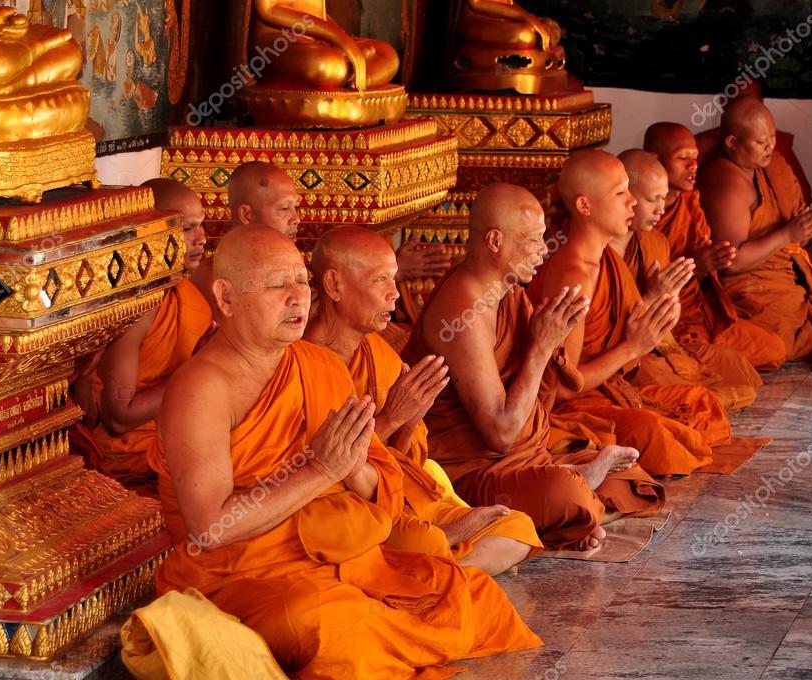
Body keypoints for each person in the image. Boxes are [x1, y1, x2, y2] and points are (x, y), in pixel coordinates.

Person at [149, 225, 541, 677]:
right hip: (241, 576)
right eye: (279, 285)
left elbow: (379, 477)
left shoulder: (319, 366)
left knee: (464, 590)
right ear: (227, 296)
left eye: (302, 281)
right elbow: (211, 528)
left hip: (338, 557)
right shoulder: (201, 389)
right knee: (331, 628)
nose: (298, 297)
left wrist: (354, 469)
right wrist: (319, 471)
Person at [404, 183, 666, 551]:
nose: (544, 251)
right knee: (564, 496)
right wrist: (541, 348)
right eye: (532, 241)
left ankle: (570, 507)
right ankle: (570, 505)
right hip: (467, 473)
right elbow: (500, 434)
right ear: (495, 241)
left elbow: (554, 388)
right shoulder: (462, 313)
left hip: (523, 459)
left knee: (635, 481)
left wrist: (553, 344)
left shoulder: (507, 289)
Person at [305, 226, 542, 575]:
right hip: (343, 507)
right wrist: (390, 417)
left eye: (395, 279)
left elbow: (400, 461)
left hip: (397, 499)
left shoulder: (378, 352)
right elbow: (324, 472)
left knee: (519, 528)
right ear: (335, 285)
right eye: (379, 281)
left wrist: (413, 417)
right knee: (417, 541)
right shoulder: (304, 362)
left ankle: (434, 562)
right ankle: (433, 558)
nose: (393, 295)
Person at [530, 151, 764, 476]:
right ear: (585, 206)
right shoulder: (575, 274)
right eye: (620, 194)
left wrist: (660, 306)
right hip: (571, 405)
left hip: (611, 387)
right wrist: (632, 347)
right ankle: (584, 463)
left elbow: (634, 327)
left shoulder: (604, 259)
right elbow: (565, 388)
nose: (632, 203)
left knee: (703, 410)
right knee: (660, 442)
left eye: (629, 191)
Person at [697, 98, 812, 361]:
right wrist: (788, 234)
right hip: (751, 292)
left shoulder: (772, 166)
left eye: (772, 137)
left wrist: (806, 230)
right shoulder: (727, 185)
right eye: (761, 142)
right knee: (778, 345)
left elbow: (793, 228)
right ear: (732, 143)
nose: (770, 146)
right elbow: (731, 262)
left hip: (791, 281)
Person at [613, 148, 760, 413]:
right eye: (652, 200)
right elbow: (601, 333)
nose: (660, 209)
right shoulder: (597, 251)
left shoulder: (654, 241)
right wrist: (651, 298)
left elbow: (667, 320)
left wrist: (669, 300)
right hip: (621, 357)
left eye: (664, 199)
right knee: (698, 406)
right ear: (625, 198)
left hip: (659, 345)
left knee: (743, 375)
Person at [90, 178, 209, 488]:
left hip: (174, 438)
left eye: (201, 225)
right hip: (130, 453)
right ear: (149, 232)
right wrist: (202, 368)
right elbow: (119, 416)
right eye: (186, 229)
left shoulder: (185, 292)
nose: (201, 239)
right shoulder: (141, 304)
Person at [644, 122, 787, 371]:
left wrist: (708, 265)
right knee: (719, 376)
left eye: (695, 158)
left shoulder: (689, 202)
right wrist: (695, 267)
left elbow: (700, 274)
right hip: (658, 324)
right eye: (683, 158)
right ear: (654, 160)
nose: (693, 166)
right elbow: (632, 287)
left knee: (773, 348)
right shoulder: (636, 211)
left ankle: (688, 359)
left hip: (695, 315)